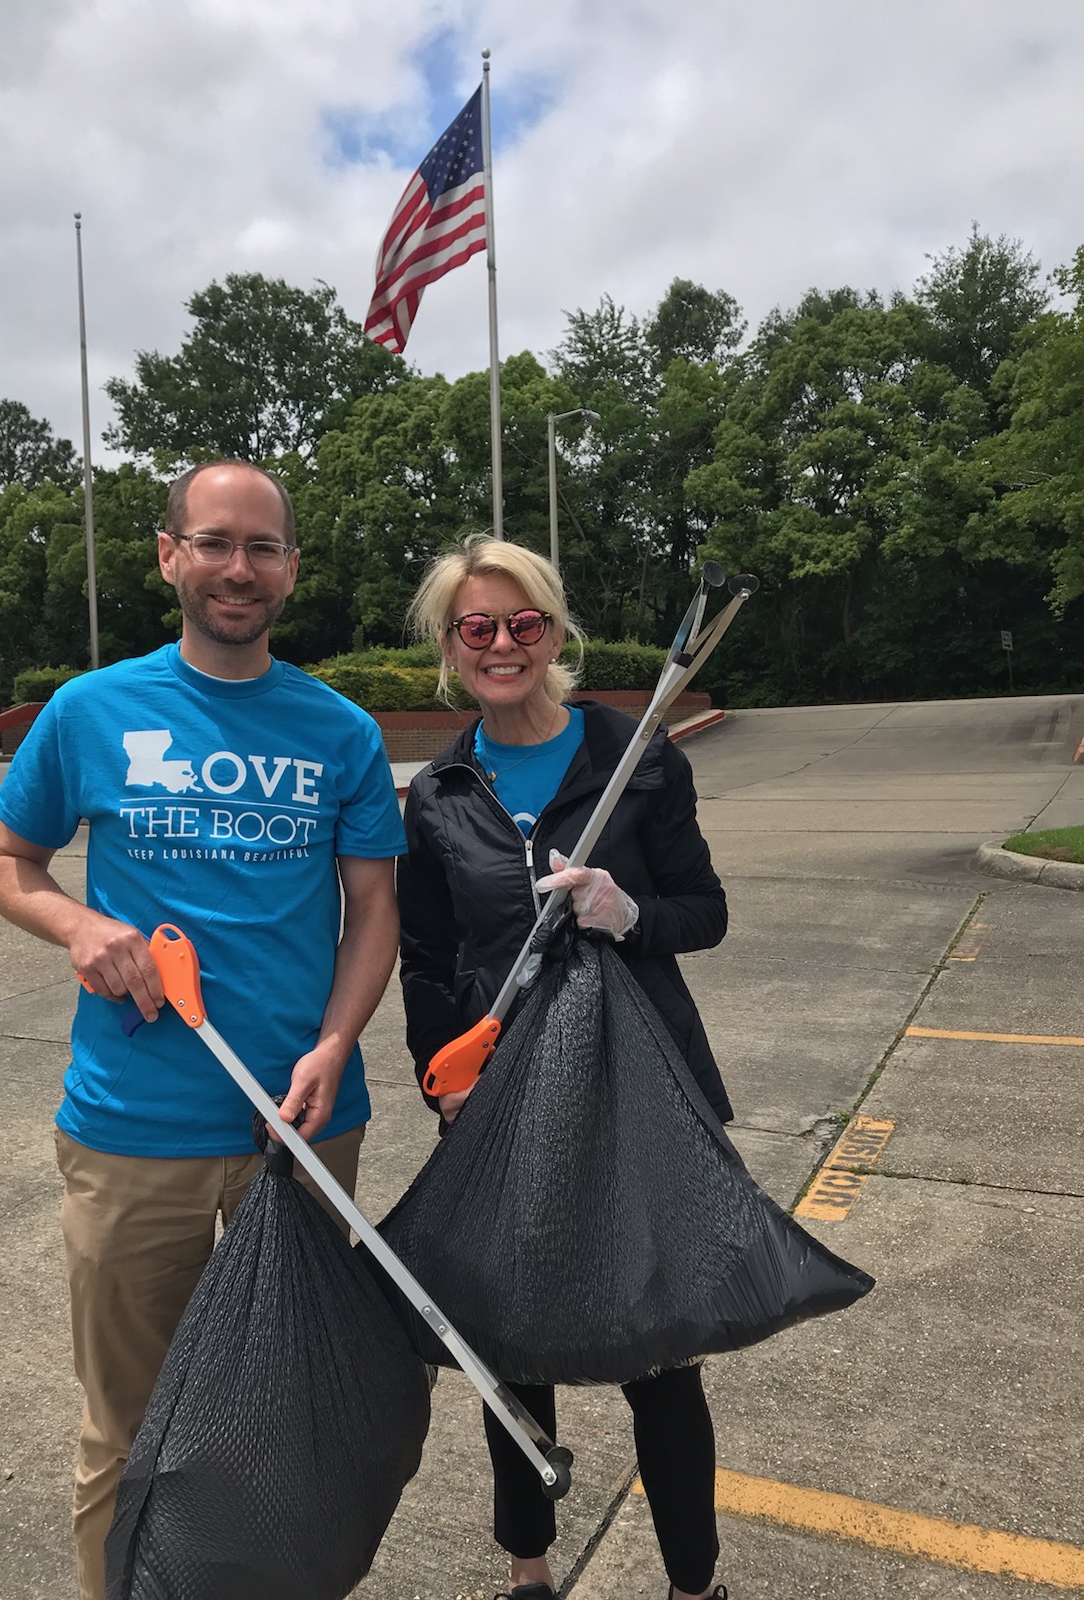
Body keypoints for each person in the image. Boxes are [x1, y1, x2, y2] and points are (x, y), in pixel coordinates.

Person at [0, 460, 406, 1600]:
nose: (238, 567)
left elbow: (374, 912)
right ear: (169, 555)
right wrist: (75, 922)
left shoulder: (342, 730)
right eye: (214, 542)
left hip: (304, 1127)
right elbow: (8, 865)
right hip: (132, 1131)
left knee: (293, 1418)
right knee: (129, 1427)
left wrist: (333, 1043)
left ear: (291, 570)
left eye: (263, 548)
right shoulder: (91, 709)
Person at [397, 535, 731, 1600]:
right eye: (478, 628)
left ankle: (693, 1585)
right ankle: (529, 1574)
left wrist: (627, 914)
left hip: (640, 1089)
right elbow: (427, 958)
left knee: (660, 1352)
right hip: (505, 1101)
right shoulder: (440, 792)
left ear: (553, 632)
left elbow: (705, 911)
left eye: (524, 624)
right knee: (512, 1352)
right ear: (451, 647)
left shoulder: (634, 757)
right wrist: (439, 1075)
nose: (503, 645)